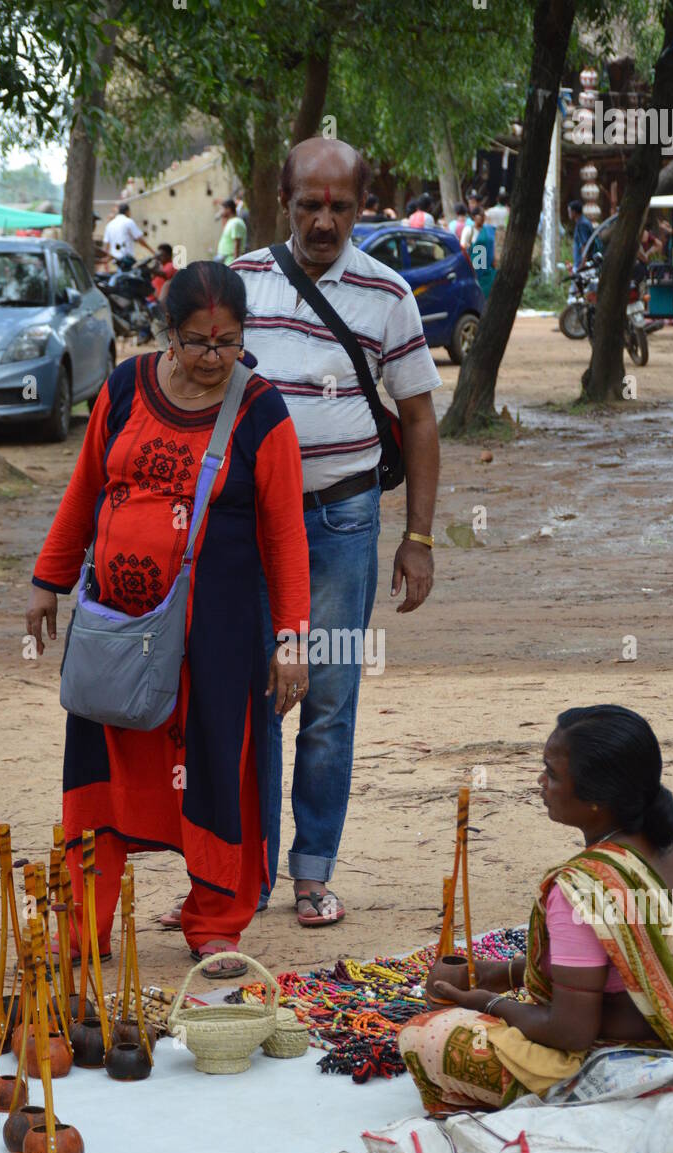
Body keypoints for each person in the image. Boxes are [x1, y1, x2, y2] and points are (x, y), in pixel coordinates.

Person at [25, 262, 310, 980]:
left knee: (216, 762)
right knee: (102, 759)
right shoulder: (123, 387)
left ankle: (214, 921)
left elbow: (284, 538)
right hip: (114, 628)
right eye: (196, 342)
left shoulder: (261, 411)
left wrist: (292, 639)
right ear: (166, 333)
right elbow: (86, 485)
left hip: (213, 635)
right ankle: (84, 919)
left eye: (228, 341)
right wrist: (47, 580)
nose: (214, 357)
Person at [233, 137, 441, 926]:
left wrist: (418, 538)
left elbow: (418, 418)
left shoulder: (389, 294)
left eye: (340, 207)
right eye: (309, 205)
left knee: (327, 699)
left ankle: (311, 872)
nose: (324, 221)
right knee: (250, 696)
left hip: (343, 520)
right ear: (282, 201)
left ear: (364, 205)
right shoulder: (241, 283)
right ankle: (244, 874)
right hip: (244, 527)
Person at [399, 705, 673, 1112]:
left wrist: (485, 1003)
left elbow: (570, 1032)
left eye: (553, 773)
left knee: (425, 1037)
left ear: (598, 800)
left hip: (636, 1072)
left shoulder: (582, 887)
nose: (541, 782)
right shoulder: (663, 848)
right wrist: (501, 974)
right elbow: (618, 967)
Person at [102, 202, 153, 267]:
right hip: (126, 260)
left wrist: (105, 263)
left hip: (115, 261)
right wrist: (152, 251)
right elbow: (140, 240)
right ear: (127, 211)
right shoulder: (128, 221)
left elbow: (106, 246)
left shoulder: (109, 225)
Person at [470, 207, 496, 295]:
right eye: (480, 215)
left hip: (487, 269)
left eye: (483, 215)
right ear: (473, 217)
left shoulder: (488, 230)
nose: (482, 217)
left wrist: (493, 261)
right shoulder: (469, 230)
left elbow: (492, 248)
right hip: (475, 268)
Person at [216, 198, 247, 265]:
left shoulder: (236, 222)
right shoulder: (230, 221)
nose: (221, 211)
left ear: (228, 209)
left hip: (230, 259)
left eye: (222, 209)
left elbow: (237, 244)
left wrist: (235, 264)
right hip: (224, 258)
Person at [567, 198, 595, 271]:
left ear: (574, 212)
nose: (568, 214)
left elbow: (584, 246)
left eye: (569, 211)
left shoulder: (582, 225)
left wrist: (582, 266)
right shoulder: (583, 222)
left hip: (584, 266)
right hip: (582, 264)